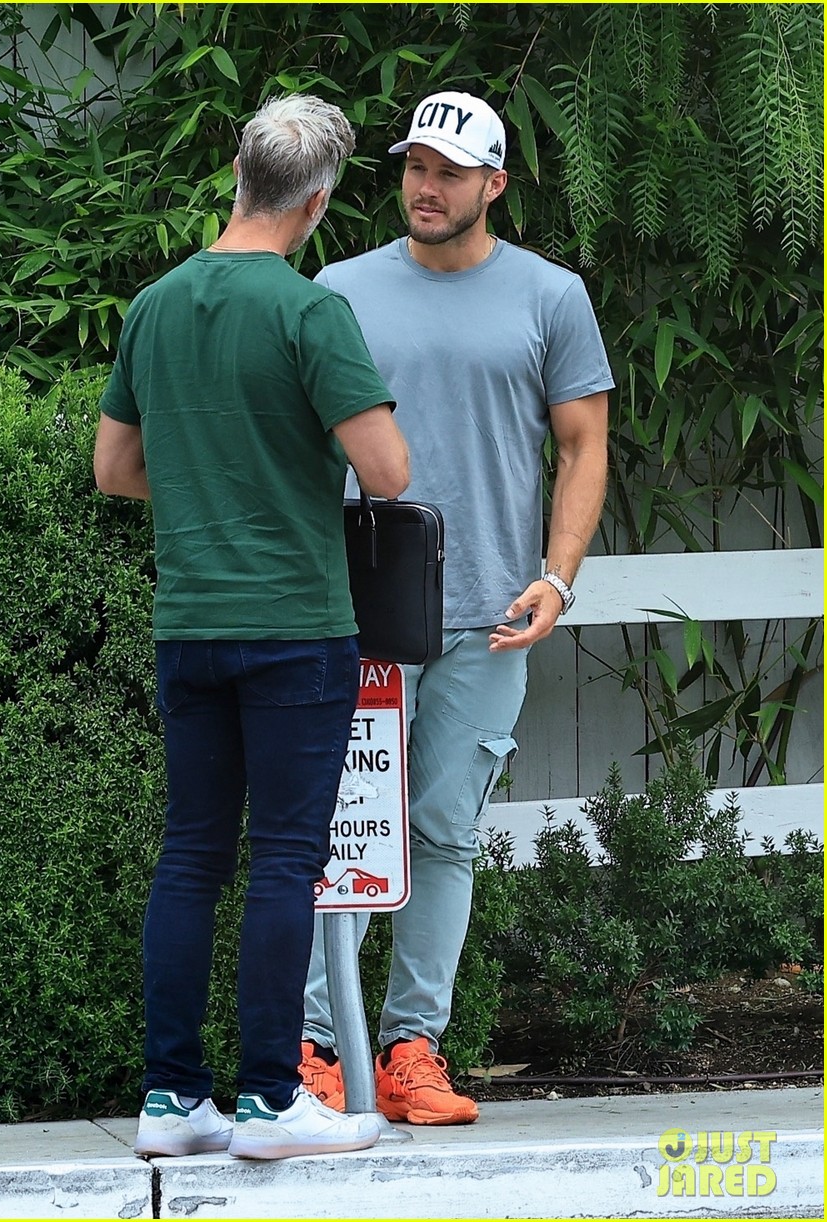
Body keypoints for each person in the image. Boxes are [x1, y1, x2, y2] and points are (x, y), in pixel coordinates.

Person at [93, 93, 410, 1160]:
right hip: (293, 624)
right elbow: (387, 471)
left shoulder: (154, 304)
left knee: (190, 855)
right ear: (316, 202)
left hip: (188, 624)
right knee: (284, 858)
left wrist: (211, 488)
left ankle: (171, 1102)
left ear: (239, 175)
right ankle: (272, 1102)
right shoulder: (310, 311)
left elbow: (114, 470)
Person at [299, 90, 614, 1125]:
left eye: (447, 171)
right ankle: (316, 1049)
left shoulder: (549, 295)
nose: (424, 188)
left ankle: (408, 1049)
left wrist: (557, 576)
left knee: (439, 830)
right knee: (339, 827)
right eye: (412, 167)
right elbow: (294, 440)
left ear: (494, 184)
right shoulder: (335, 288)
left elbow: (581, 446)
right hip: (352, 609)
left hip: (488, 611)